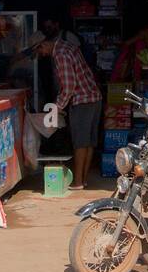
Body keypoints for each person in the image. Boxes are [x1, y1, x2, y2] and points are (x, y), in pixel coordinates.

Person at [34, 33, 102, 190]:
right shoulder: (67, 46)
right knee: (89, 142)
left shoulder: (60, 55)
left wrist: (57, 107)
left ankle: (77, 182)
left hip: (82, 101)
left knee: (80, 143)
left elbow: (69, 86)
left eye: (40, 52)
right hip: (94, 97)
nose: (42, 55)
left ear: (43, 45)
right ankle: (83, 180)